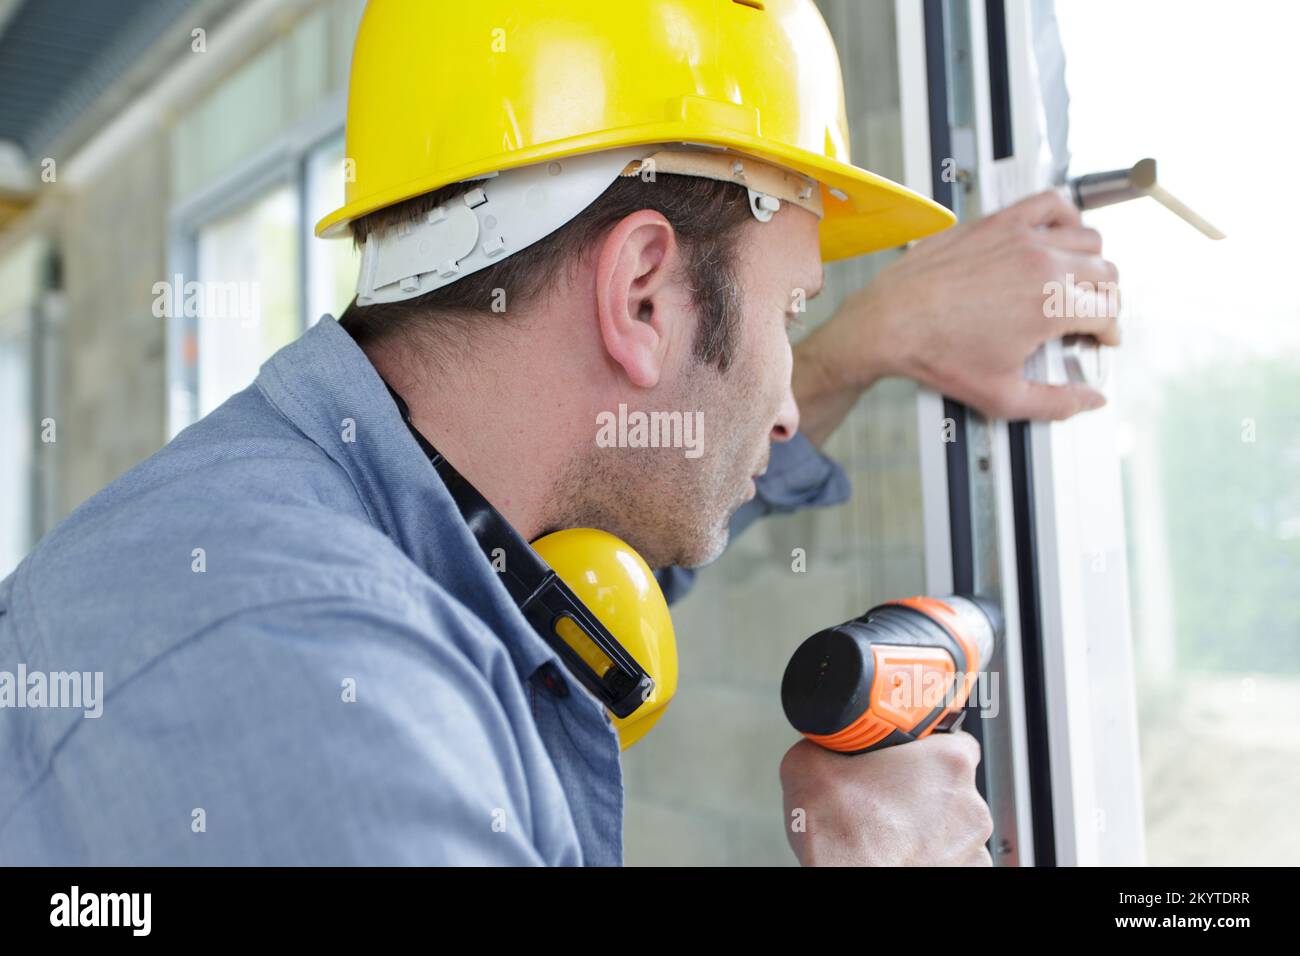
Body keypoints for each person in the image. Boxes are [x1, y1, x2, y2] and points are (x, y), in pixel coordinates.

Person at [0, 0, 1118, 865]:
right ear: (641, 295)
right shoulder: (330, 689)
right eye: (789, 311)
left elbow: (614, 493)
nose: (782, 406)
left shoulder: (335, 507)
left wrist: (873, 339)